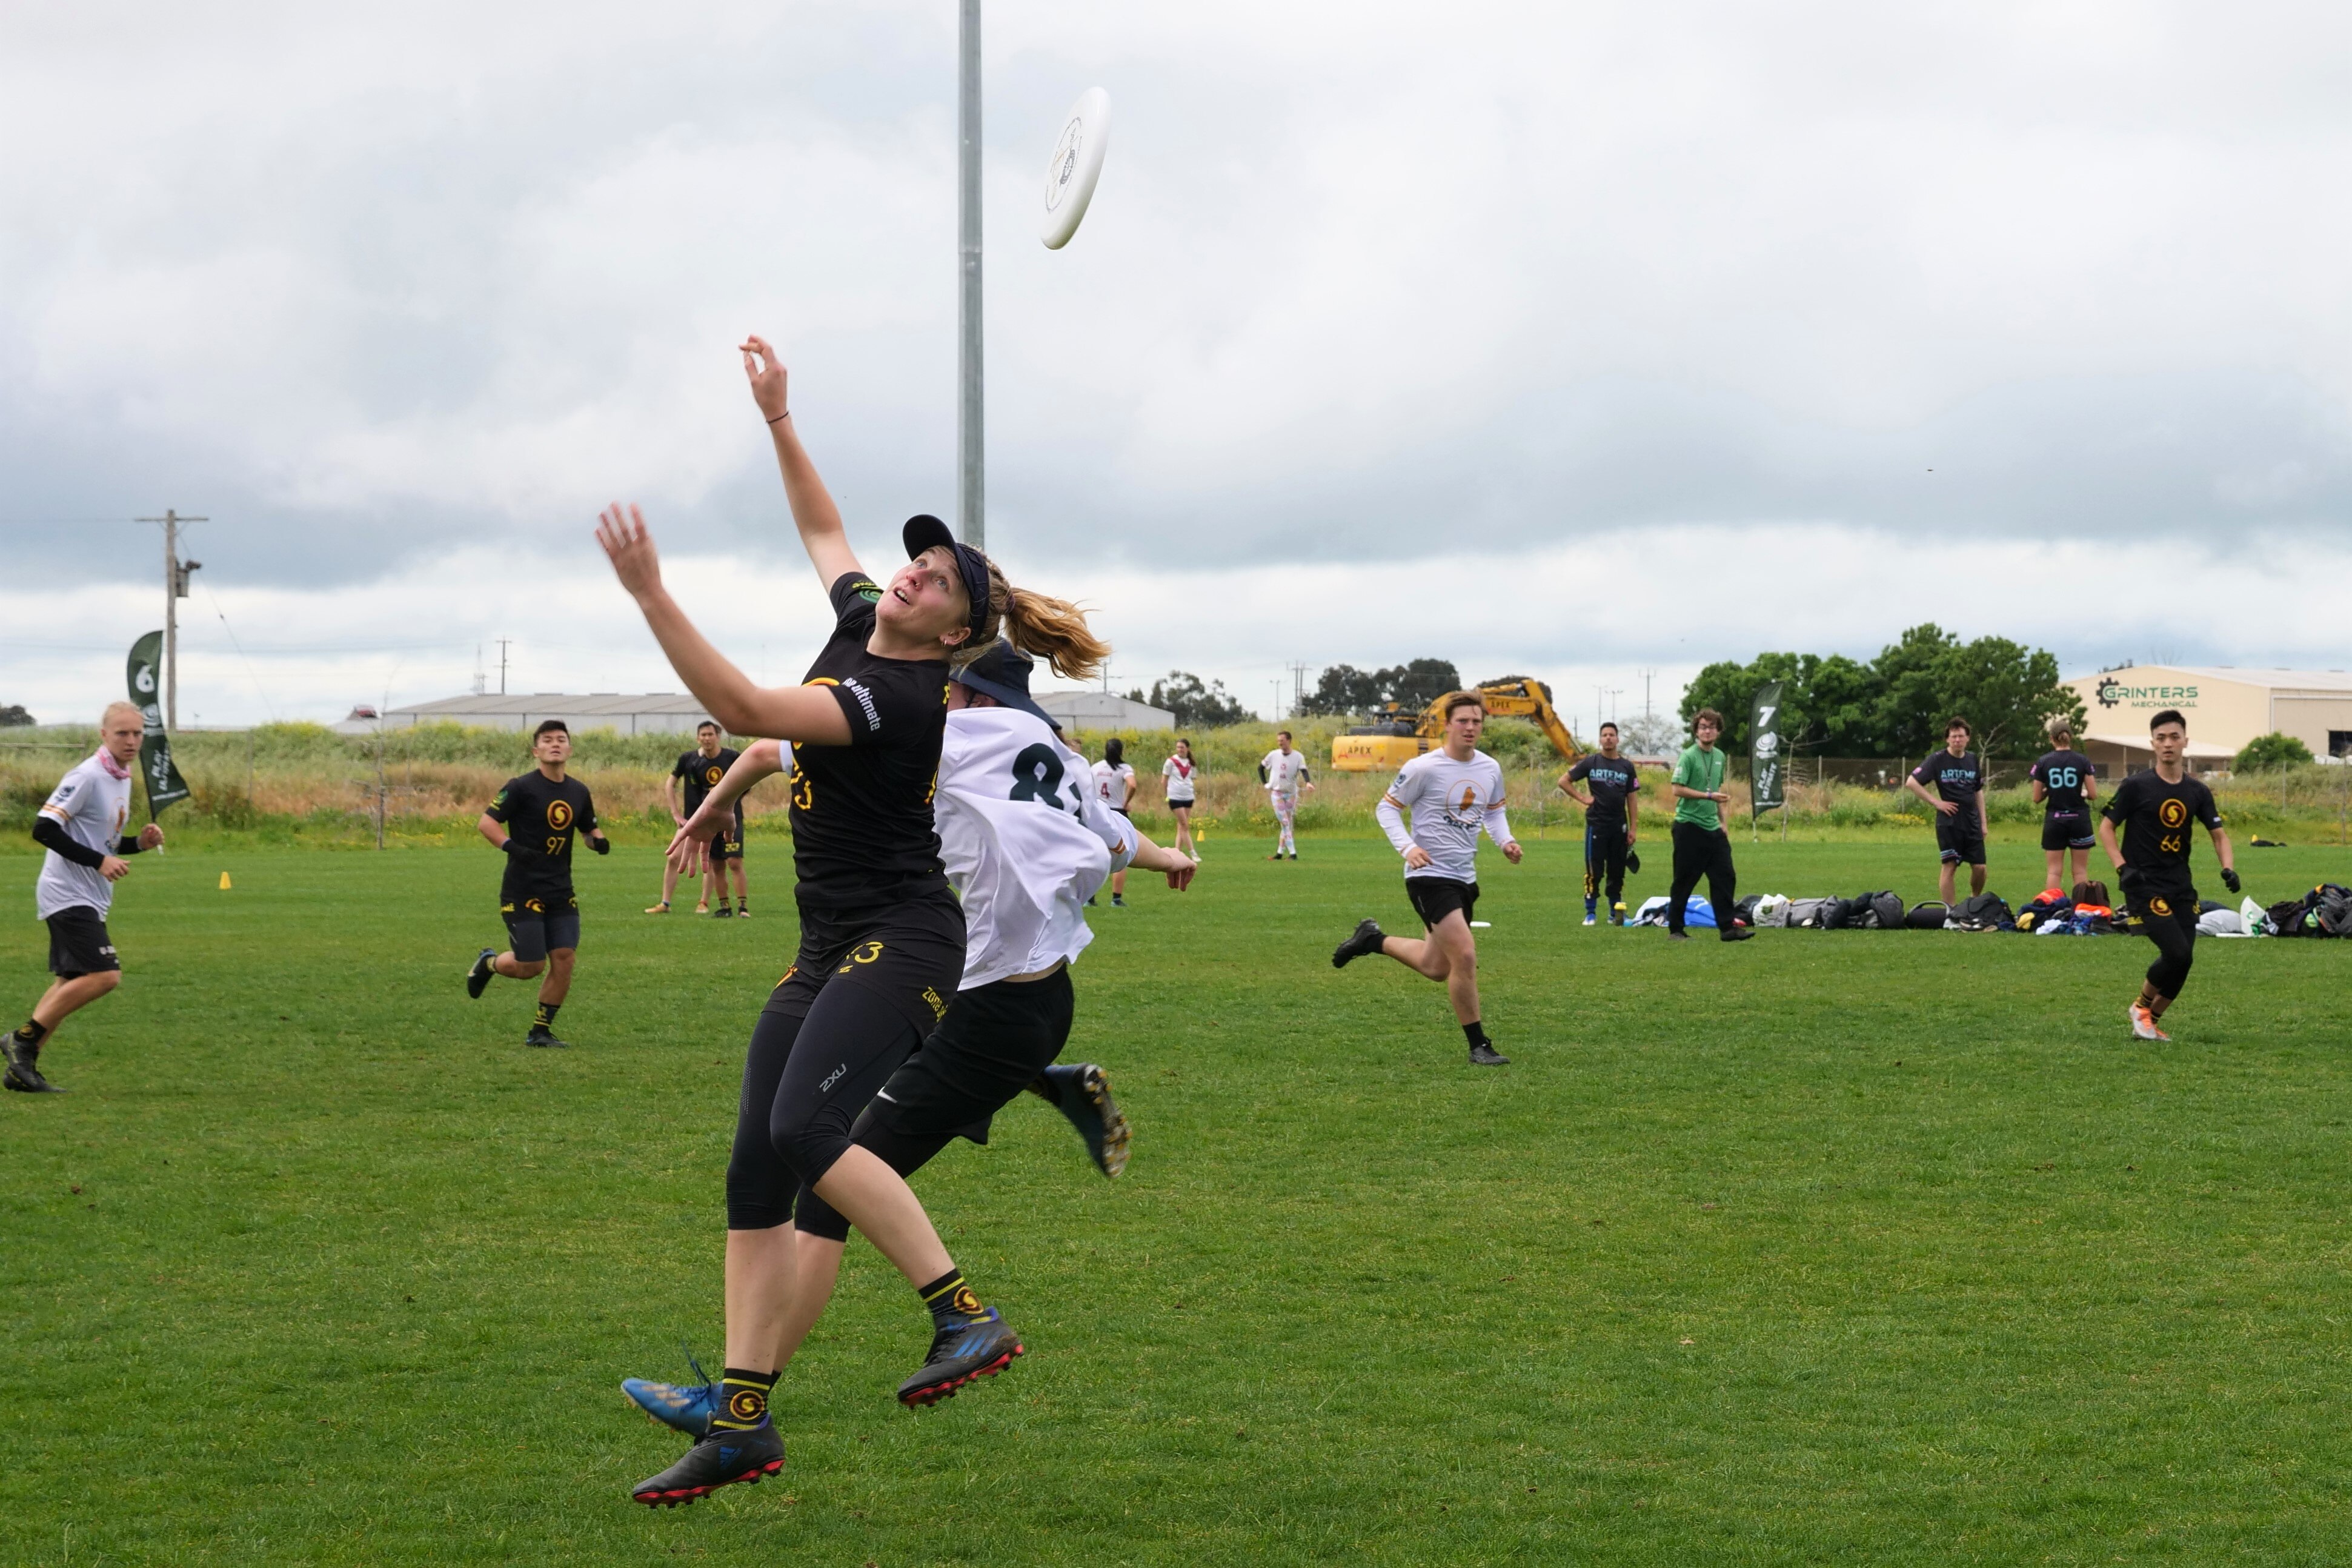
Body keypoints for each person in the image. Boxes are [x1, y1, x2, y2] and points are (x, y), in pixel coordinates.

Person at [603, 331, 1108, 1509]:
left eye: (936, 576)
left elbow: (736, 706)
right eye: (917, 560)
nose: (913, 571)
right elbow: (826, 534)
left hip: (907, 937)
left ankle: (963, 1313)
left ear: (952, 636)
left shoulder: (892, 696)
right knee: (753, 1167)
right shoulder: (872, 623)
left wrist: (651, 595)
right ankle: (739, 1421)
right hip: (828, 941)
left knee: (805, 1128)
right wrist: (780, 419)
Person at [620, 640, 1200, 1447]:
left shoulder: (948, 735)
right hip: (1016, 1001)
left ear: (967, 700)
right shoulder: (1056, 756)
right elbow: (1115, 836)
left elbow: (762, 744)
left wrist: (716, 806)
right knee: (828, 1134)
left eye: (951, 696)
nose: (942, 706)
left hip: (989, 1014)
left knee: (823, 1179)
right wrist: (1173, 854)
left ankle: (754, 1396)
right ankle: (1050, 1081)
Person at [1330, 691, 1522, 1066]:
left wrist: (1506, 841)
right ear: (1447, 724)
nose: (1470, 727)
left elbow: (1494, 814)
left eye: (1476, 721)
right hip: (1428, 876)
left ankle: (1372, 939)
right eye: (1463, 721)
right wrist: (1408, 848)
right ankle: (1479, 1045)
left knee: (1437, 968)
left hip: (1465, 877)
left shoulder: (1490, 769)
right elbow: (1386, 809)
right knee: (1465, 955)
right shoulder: (1424, 768)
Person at [4, 703, 165, 1094]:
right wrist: (99, 862)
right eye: (122, 734)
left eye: (137, 734)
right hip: (66, 893)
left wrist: (138, 845)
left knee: (71, 980)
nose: (131, 741)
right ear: (103, 735)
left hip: (89, 896)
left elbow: (102, 841)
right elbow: (44, 828)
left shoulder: (121, 777)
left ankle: (20, 1070)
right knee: (105, 975)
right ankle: (21, 1040)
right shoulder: (89, 775)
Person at [463, 720, 610, 1048]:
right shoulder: (520, 787)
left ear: (570, 749)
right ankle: (488, 963)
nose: (555, 744)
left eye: (561, 740)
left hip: (560, 889)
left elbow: (588, 829)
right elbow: (486, 823)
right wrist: (511, 847)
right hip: (522, 888)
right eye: (547, 740)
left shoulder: (578, 791)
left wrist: (598, 841)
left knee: (565, 958)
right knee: (530, 965)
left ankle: (540, 1032)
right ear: (536, 751)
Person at [2097, 709, 2239, 1042]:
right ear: (2152, 744)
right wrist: (2122, 867)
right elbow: (2106, 828)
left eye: (2174, 737)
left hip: (2181, 887)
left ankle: (2151, 1019)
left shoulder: (2198, 791)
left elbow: (2219, 835)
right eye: (2161, 738)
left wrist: (2228, 867)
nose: (2168, 744)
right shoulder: (2135, 786)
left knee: (2184, 960)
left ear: (2186, 741)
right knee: (2177, 953)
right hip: (2143, 885)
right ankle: (2141, 1008)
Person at [1666, 708, 1747, 943]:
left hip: (1713, 828)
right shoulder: (1688, 756)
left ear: (1718, 731)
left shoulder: (1720, 756)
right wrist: (1707, 797)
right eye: (1703, 727)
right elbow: (1677, 789)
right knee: (1685, 879)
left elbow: (1719, 793)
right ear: (1696, 730)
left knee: (1725, 876)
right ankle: (1676, 930)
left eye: (1712, 727)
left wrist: (1724, 823)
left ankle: (1727, 928)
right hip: (1688, 826)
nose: (1707, 731)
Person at [650, 722, 736, 916]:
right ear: (698, 738)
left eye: (710, 734)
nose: (706, 738)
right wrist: (675, 813)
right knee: (673, 857)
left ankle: (703, 903)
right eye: (703, 735)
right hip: (689, 819)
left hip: (712, 820)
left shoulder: (729, 757)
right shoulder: (689, 759)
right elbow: (670, 784)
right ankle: (665, 903)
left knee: (709, 860)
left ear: (718, 736)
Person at [1560, 721, 1640, 926]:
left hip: (1619, 827)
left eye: (1612, 735)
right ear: (1600, 739)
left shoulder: (1627, 766)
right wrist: (1582, 799)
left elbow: (1632, 799)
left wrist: (1633, 828)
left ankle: (1615, 913)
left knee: (1617, 871)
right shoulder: (1591, 762)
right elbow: (1564, 781)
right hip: (1597, 825)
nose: (1608, 738)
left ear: (1618, 739)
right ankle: (1590, 913)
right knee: (1595, 870)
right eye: (1604, 735)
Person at [1905, 717, 1989, 907]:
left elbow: (1978, 791)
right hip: (1949, 822)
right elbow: (1911, 782)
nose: (1957, 740)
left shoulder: (1972, 759)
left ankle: (1973, 903)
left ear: (1968, 738)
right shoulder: (1937, 759)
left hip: (1972, 821)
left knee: (1980, 867)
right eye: (1953, 737)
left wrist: (1983, 822)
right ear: (1947, 739)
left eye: (1961, 736)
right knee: (1949, 866)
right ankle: (1950, 911)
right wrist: (1937, 803)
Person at [2029, 719, 2099, 892]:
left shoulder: (2043, 761)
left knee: (2054, 872)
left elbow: (2037, 798)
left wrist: (2050, 790)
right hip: (2079, 819)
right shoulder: (2082, 761)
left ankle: (2052, 910)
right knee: (2080, 871)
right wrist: (2081, 792)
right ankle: (2080, 910)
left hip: (2055, 819)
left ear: (2051, 738)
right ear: (2071, 738)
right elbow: (2093, 794)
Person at [1091, 737, 1138, 905]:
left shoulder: (1095, 768)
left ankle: (1089, 899)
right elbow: (1132, 785)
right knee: (1121, 854)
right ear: (1121, 751)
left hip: (1096, 815)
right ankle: (1116, 899)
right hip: (1117, 813)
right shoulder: (1124, 768)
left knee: (1093, 854)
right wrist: (1126, 803)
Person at [1258, 730, 1314, 860]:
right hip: (1277, 794)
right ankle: (1293, 853)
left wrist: (1308, 783)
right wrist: (1265, 784)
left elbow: (1304, 770)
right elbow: (1260, 768)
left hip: (1291, 794)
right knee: (1284, 823)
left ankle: (1279, 853)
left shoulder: (1298, 756)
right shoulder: (1273, 755)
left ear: (1289, 741)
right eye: (1278, 741)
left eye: (1282, 741)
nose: (1280, 744)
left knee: (1287, 824)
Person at [1161, 737, 1200, 861]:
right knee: (1184, 824)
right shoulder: (1171, 762)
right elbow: (1164, 780)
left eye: (1182, 747)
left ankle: (1177, 852)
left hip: (1188, 796)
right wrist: (1166, 794)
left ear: (1187, 749)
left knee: (1181, 826)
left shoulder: (1191, 763)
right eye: (1178, 747)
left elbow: (1192, 779)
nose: (1180, 750)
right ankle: (1193, 852)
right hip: (1175, 796)